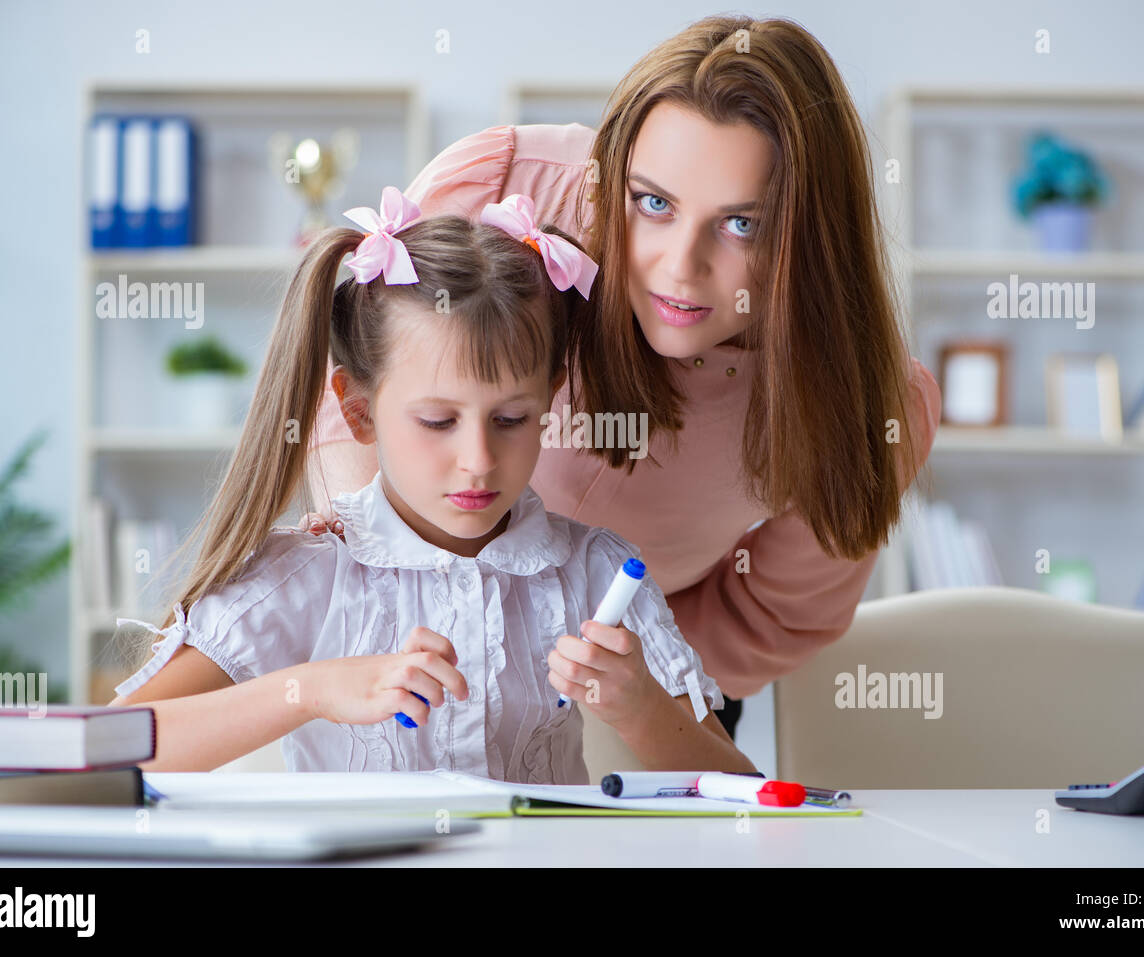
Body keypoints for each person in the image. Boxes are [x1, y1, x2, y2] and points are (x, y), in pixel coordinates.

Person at [301, 15, 943, 744]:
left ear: (811, 233)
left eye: (742, 225)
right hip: (397, 651)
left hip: (626, 692)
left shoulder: (863, 405)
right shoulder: (508, 195)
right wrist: (378, 592)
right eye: (654, 203)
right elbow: (358, 389)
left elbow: (773, 614)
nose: (679, 266)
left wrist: (622, 675)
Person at [109, 187, 754, 783]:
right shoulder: (309, 575)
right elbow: (112, 747)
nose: (477, 460)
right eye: (438, 421)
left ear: (551, 398)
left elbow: (749, 797)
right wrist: (307, 689)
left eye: (511, 419)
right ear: (358, 409)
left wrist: (640, 708)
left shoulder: (593, 572)